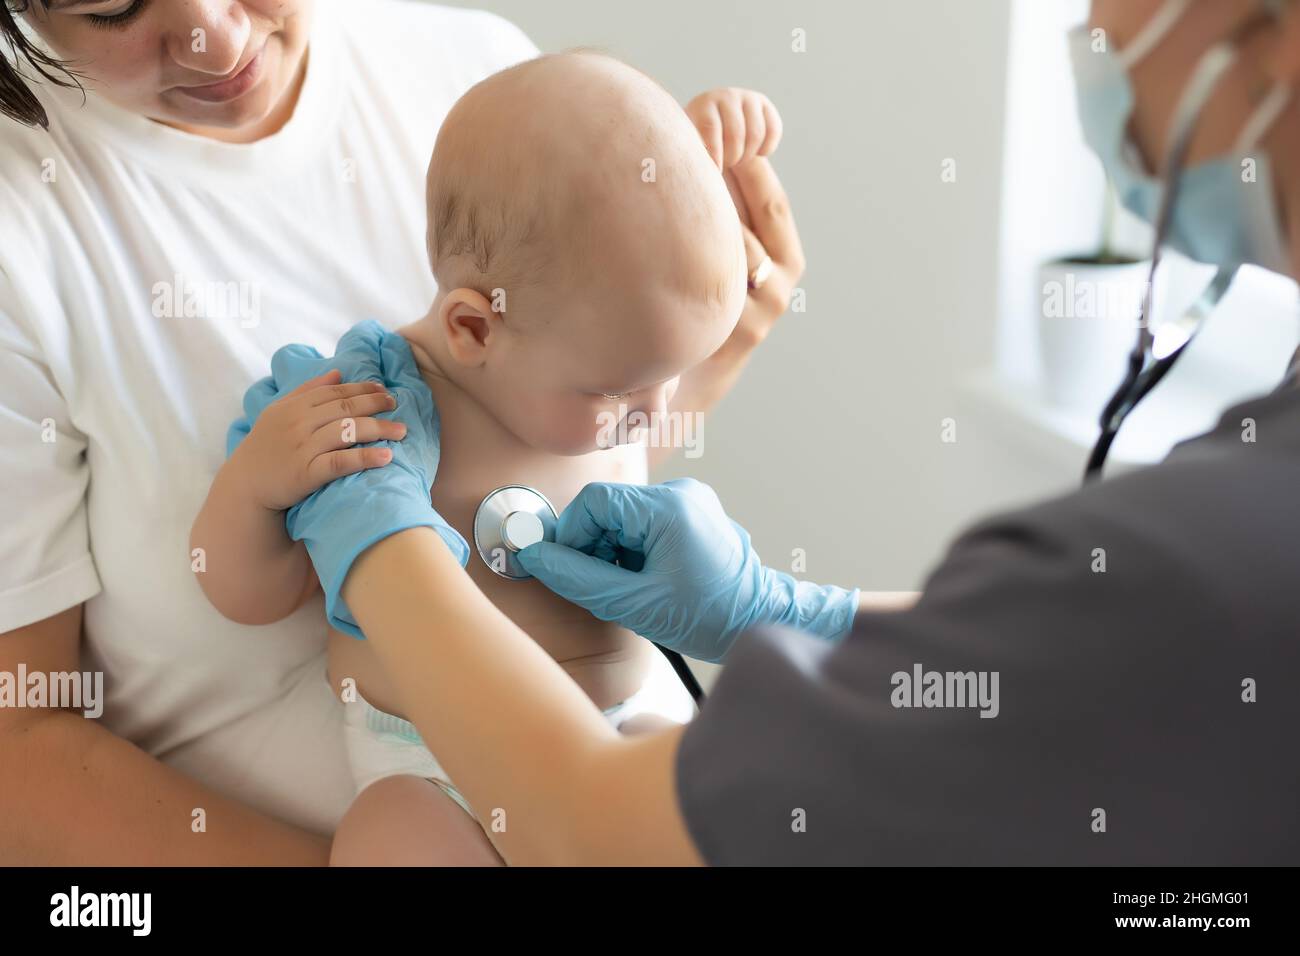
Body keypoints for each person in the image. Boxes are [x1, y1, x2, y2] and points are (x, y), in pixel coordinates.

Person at [255, 0, 1300, 864]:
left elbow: (592, 828)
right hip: (425, 767)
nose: (1088, 30)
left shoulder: (1212, 559)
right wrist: (778, 611)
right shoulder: (402, 383)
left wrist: (374, 539)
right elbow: (1055, 659)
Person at [0, 0, 797, 864]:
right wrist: (263, 488)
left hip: (619, 737)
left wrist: (708, 336)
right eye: (113, 7)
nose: (214, 40)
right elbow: (21, 751)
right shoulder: (30, 227)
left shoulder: (495, 85)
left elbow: (569, 468)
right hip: (401, 803)